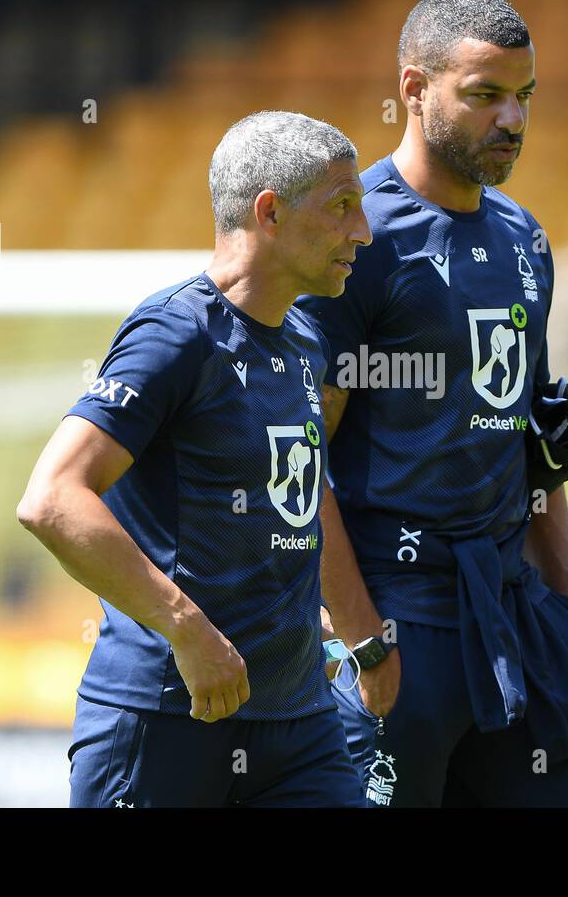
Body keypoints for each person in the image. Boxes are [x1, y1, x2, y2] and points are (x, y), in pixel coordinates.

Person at [297, 0, 568, 807]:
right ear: (414, 90)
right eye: (485, 96)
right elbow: (301, 463)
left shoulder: (525, 239)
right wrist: (364, 639)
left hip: (514, 614)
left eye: (524, 97)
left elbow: (536, 447)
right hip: (398, 621)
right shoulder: (354, 237)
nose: (512, 119)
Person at [18, 110, 372, 807]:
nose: (362, 231)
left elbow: (285, 503)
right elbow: (53, 499)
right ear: (270, 213)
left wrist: (307, 615)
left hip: (299, 726)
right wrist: (187, 628)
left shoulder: (305, 343)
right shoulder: (176, 333)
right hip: (168, 720)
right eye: (342, 208)